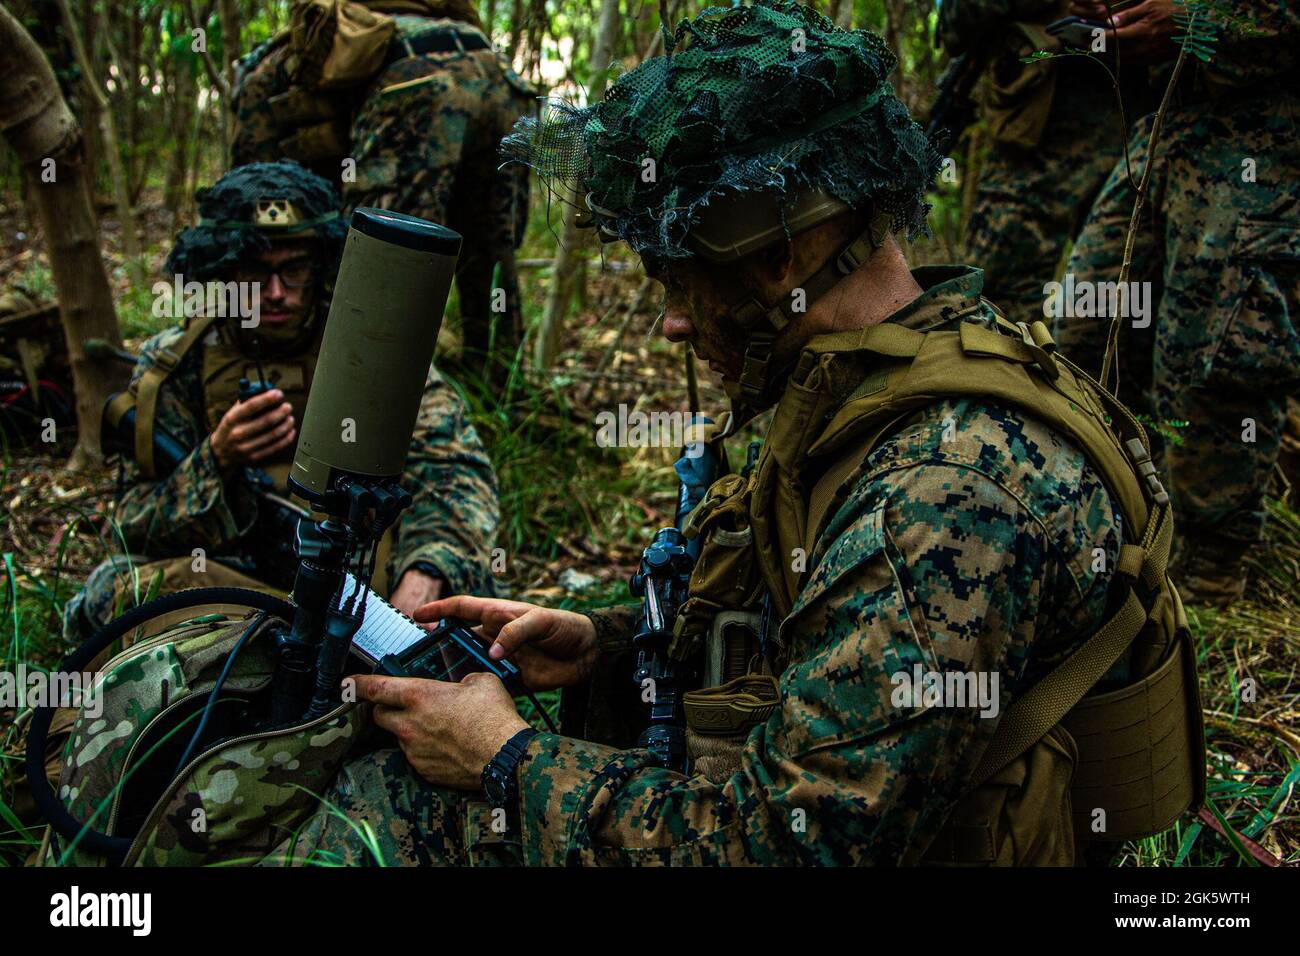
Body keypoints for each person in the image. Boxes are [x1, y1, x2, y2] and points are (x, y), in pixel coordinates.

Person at [281, 1, 1201, 867]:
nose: (672, 325)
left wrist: (507, 758)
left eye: (680, 282)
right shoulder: (885, 373)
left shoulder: (945, 487)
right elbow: (804, 628)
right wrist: (602, 643)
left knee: (355, 819)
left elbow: (782, 847)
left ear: (780, 255)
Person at [64, 160, 500, 641]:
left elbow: (457, 477)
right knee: (111, 591)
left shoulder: (376, 355)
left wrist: (424, 574)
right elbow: (131, 527)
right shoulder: (176, 366)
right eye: (256, 272)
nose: (274, 294)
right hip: (233, 579)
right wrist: (216, 460)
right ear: (223, 269)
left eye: (293, 271)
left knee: (460, 601)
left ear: (321, 268)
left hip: (361, 590)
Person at [1054, 0, 1300, 605]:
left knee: (1214, 352)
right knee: (1087, 329)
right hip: (1165, 125)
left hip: (1263, 130)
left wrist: (1197, 20)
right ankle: (1120, 534)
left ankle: (1210, 578)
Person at [231, 0, 535, 371]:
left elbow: (249, 186)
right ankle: (500, 388)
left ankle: (373, 393)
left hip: (418, 87)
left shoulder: (278, 64)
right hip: (506, 84)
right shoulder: (419, 20)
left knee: (384, 261)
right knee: (491, 251)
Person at [936, 0, 1155, 325]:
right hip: (1039, 123)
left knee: (1113, 323)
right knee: (994, 318)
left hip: (1126, 130)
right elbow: (955, 25)